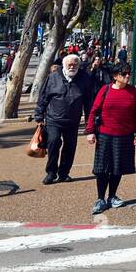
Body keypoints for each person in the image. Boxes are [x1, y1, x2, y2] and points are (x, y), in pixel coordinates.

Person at [85, 62, 136, 215]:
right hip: (105, 134)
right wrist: (90, 131)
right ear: (116, 76)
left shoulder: (133, 91)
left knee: (117, 168)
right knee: (102, 168)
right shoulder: (105, 89)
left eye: (128, 73)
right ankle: (100, 198)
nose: (127, 76)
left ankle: (112, 196)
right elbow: (93, 111)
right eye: (124, 74)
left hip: (124, 135)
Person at [33, 52, 94, 185]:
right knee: (53, 143)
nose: (72, 67)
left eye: (75, 64)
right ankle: (51, 172)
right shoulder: (53, 77)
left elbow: (89, 103)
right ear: (64, 65)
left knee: (70, 147)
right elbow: (43, 98)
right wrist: (38, 115)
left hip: (73, 121)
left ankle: (64, 173)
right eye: (70, 64)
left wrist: (90, 123)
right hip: (53, 119)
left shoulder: (85, 79)